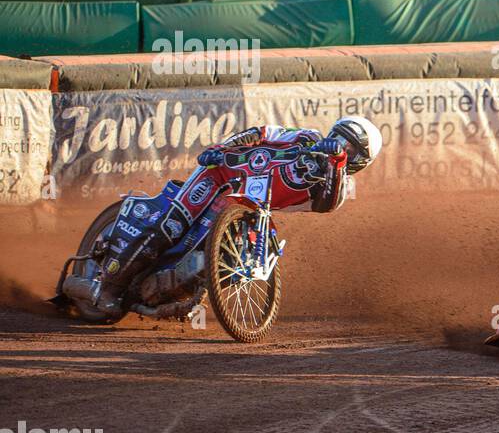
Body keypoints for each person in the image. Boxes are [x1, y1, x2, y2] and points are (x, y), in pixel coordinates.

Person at [98, 117, 384, 303]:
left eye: (351, 146)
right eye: (339, 136)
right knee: (172, 226)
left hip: (251, 206)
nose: (339, 144)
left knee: (227, 253)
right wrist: (220, 148)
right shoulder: (305, 138)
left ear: (361, 160)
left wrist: (336, 160)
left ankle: (177, 291)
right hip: (220, 173)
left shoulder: (339, 186)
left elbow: (326, 204)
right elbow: (261, 133)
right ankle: (109, 285)